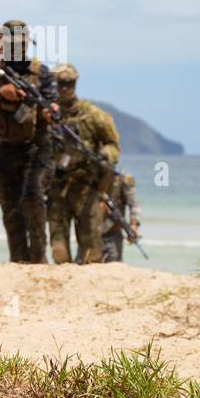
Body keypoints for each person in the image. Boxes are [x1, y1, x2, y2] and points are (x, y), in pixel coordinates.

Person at [0, 19, 56, 263]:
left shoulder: (41, 72)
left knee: (33, 197)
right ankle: (18, 257)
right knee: (9, 203)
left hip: (36, 146)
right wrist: (0, 94)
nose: (17, 50)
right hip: (5, 146)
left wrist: (50, 111)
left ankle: (38, 257)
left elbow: (52, 103)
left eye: (21, 45)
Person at [46, 63, 120, 265]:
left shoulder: (92, 115)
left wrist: (105, 154)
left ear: (75, 84)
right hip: (57, 188)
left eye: (68, 83)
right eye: (60, 83)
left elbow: (113, 144)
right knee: (59, 249)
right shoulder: (46, 114)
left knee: (91, 252)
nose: (64, 88)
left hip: (86, 188)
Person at [100, 172, 141, 263]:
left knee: (114, 263)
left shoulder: (120, 180)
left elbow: (134, 204)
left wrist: (134, 224)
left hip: (112, 234)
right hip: (89, 235)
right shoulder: (86, 177)